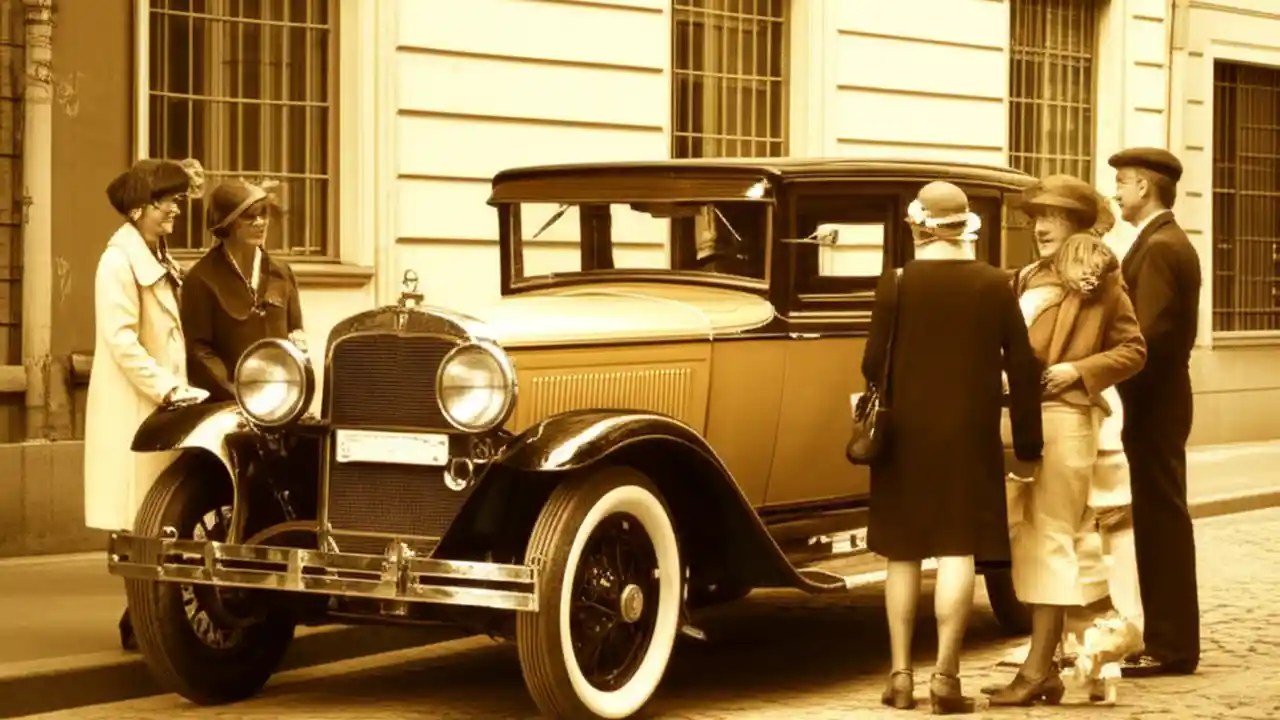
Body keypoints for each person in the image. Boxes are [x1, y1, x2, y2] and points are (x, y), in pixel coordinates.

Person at [862, 181, 1044, 714]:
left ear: (916, 227)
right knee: (958, 549)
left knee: (903, 552)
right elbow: (1023, 366)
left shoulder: (895, 282)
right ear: (966, 227)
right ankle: (946, 676)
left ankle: (900, 677)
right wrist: (1028, 442)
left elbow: (872, 364)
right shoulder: (994, 284)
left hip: (903, 436)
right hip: (968, 434)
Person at [986, 174, 1147, 707]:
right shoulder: (1027, 275)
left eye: (1053, 217)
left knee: (1049, 538)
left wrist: (1078, 370)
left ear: (1077, 223)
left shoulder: (1097, 275)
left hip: (1063, 417)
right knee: (1044, 539)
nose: (1040, 227)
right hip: (1021, 417)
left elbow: (1133, 350)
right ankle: (1090, 648)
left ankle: (1039, 669)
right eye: (1036, 217)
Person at [85, 158, 210, 650]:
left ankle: (146, 619)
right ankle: (141, 619)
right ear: (139, 208)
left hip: (159, 407)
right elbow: (121, 341)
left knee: (159, 518)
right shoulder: (117, 263)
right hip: (136, 409)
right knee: (142, 517)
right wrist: (168, 388)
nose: (176, 210)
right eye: (167, 202)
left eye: (177, 200)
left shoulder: (156, 255)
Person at [1109, 147, 1203, 677]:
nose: (1116, 193)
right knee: (1156, 516)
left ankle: (1171, 646)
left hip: (1157, 400)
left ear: (1144, 187)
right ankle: (1169, 639)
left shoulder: (1163, 246)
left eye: (1122, 183)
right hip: (1157, 399)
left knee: (1161, 520)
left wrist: (1102, 368)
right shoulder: (1160, 241)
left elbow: (1148, 334)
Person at [181, 180, 307, 402]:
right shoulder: (201, 279)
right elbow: (199, 352)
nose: (260, 223)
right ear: (227, 222)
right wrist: (237, 394)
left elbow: (296, 334)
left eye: (264, 215)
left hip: (281, 402)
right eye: (249, 216)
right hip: (227, 403)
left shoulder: (282, 273)